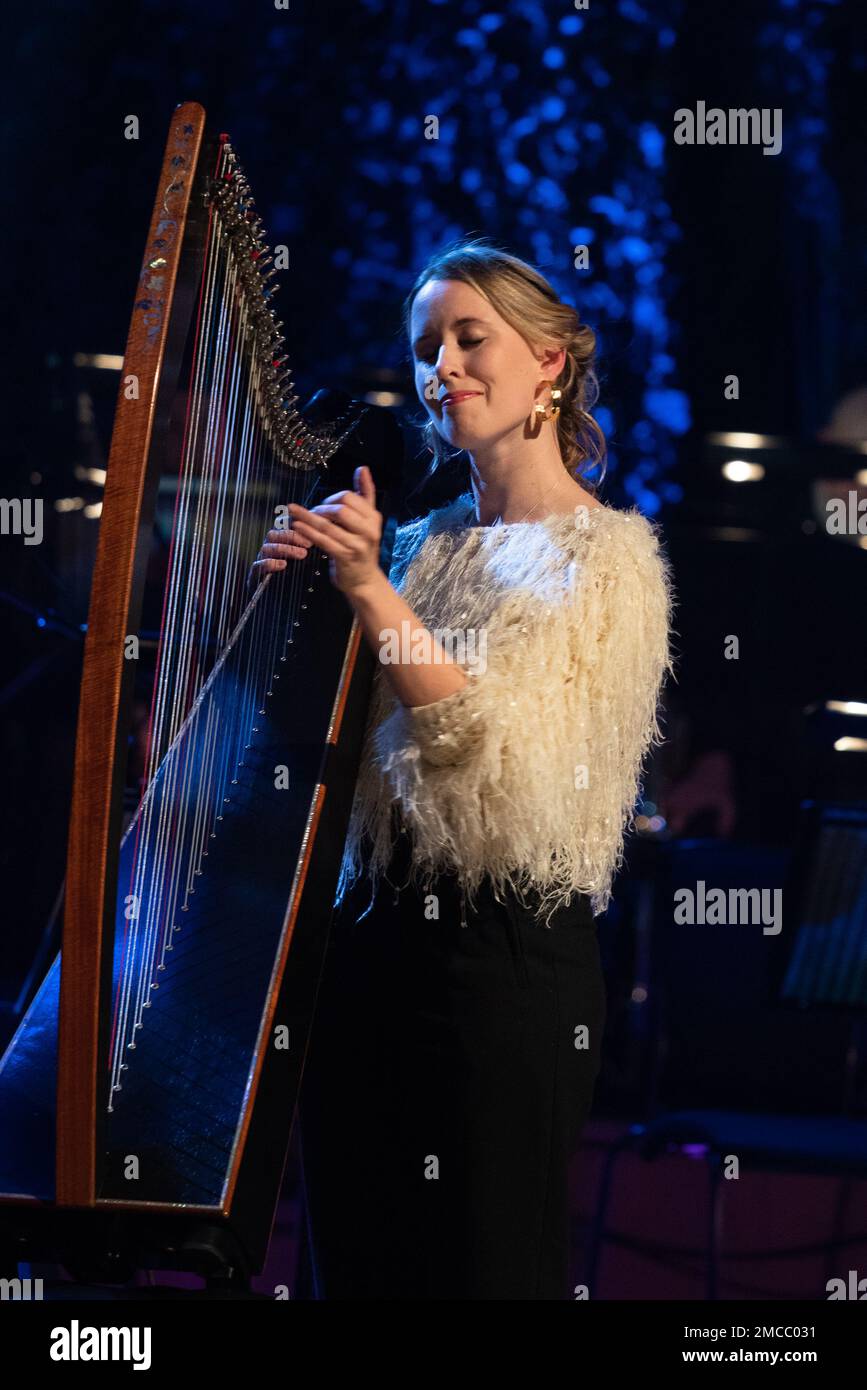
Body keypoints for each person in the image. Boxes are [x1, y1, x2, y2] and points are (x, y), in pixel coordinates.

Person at [254, 236, 674, 1299]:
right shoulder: (421, 544)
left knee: (481, 1271)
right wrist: (295, 594)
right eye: (426, 346)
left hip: (501, 968)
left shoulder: (610, 560)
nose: (442, 366)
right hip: (369, 953)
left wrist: (370, 595)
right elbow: (345, 745)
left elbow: (498, 763)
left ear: (551, 364)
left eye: (470, 337)